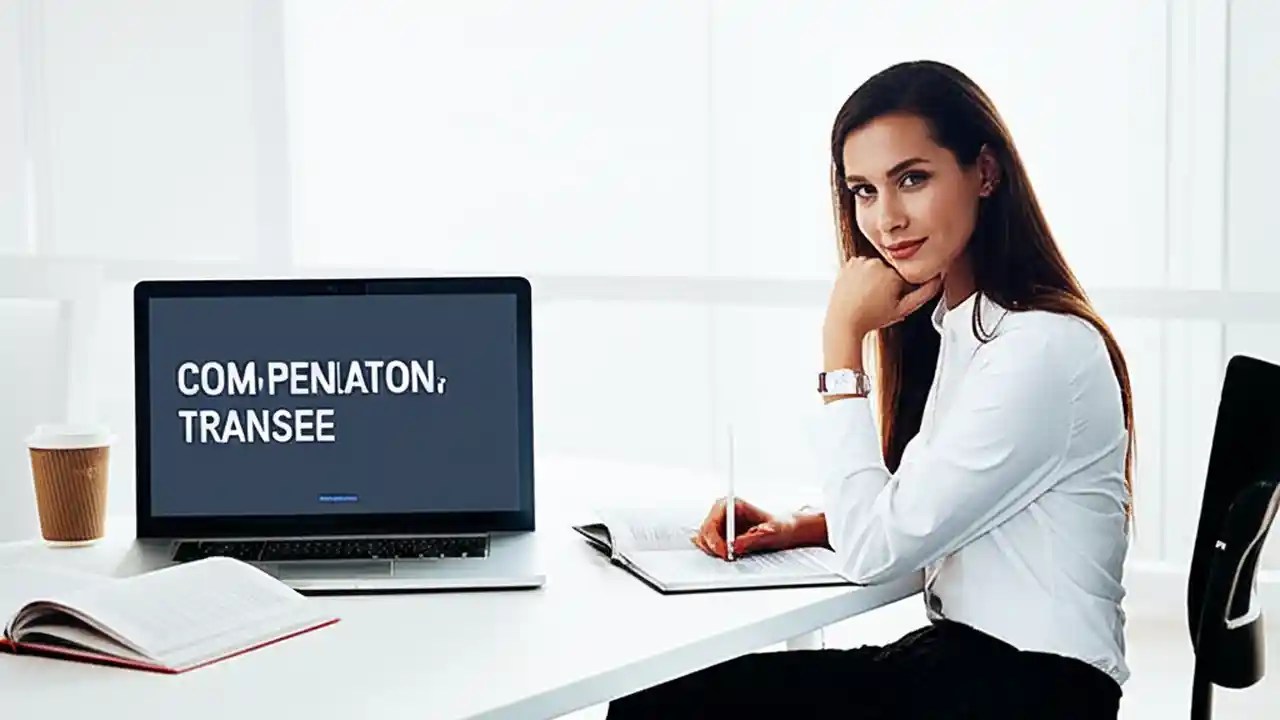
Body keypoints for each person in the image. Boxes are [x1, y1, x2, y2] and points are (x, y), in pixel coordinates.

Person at [607, 59, 1136, 719]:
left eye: (911, 179)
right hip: (971, 668)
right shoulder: (969, 331)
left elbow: (874, 553)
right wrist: (802, 527)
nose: (886, 219)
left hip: (1032, 693)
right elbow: (934, 510)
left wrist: (841, 341)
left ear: (985, 172)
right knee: (662, 699)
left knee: (662, 710)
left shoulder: (1038, 349)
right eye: (863, 191)